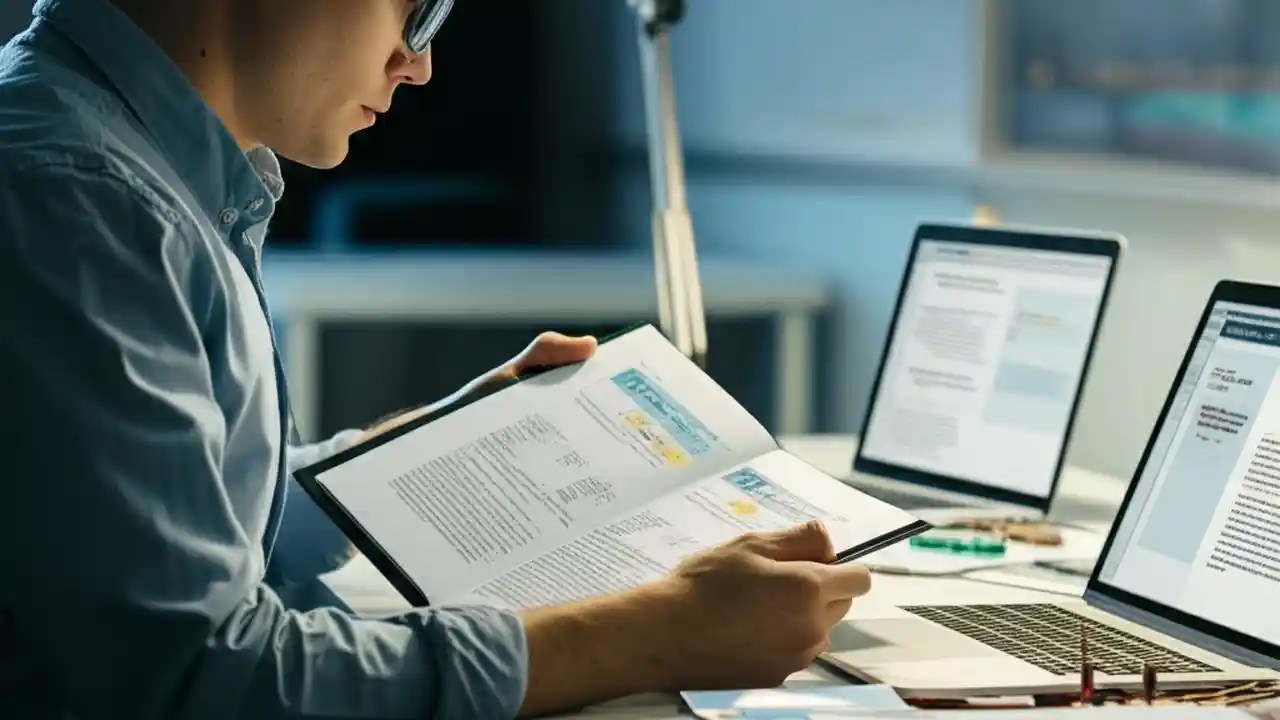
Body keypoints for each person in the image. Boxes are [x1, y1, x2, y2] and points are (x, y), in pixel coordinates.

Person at [0, 1, 874, 717]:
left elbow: (201, 524)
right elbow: (193, 682)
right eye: (417, 10)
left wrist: (432, 447)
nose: (417, 63)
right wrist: (653, 634)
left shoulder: (137, 171)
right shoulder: (77, 199)